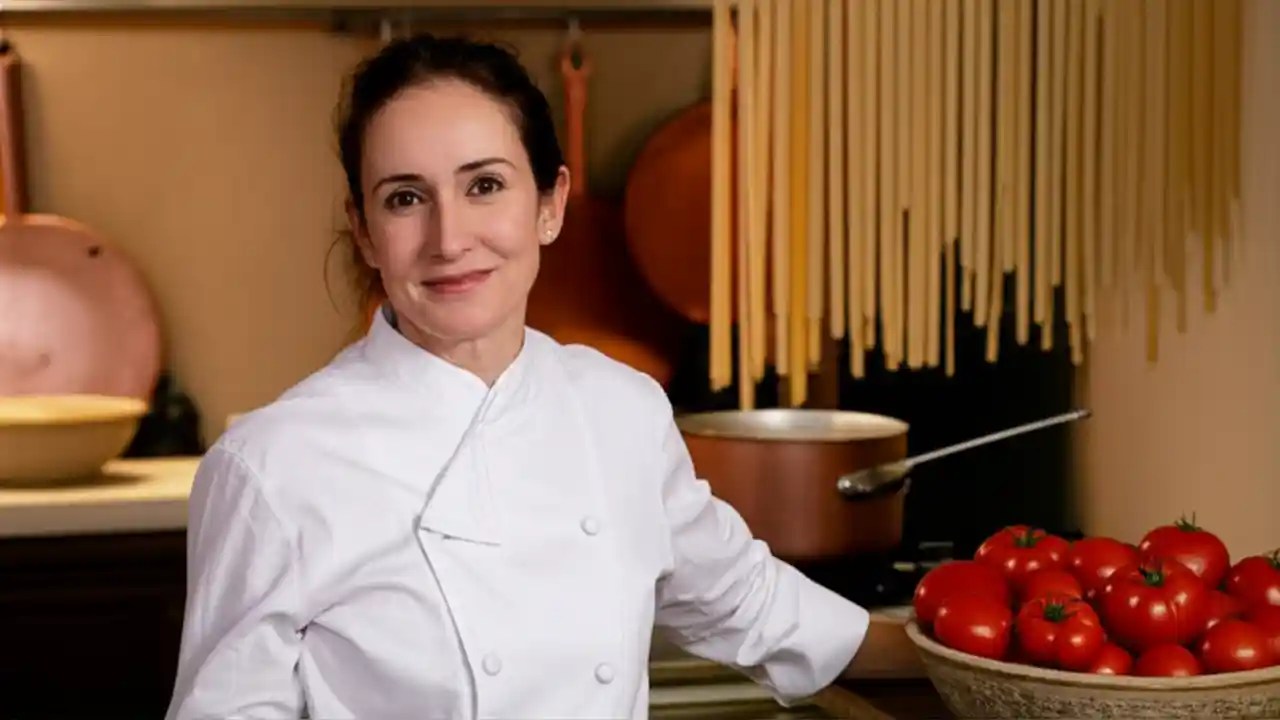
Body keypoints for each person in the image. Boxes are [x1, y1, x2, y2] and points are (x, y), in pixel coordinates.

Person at [164, 33, 912, 720]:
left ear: (549, 205)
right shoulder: (274, 465)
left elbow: (744, 599)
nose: (450, 238)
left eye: (484, 185)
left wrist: (952, 661)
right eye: (405, 198)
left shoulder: (620, 409)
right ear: (363, 231)